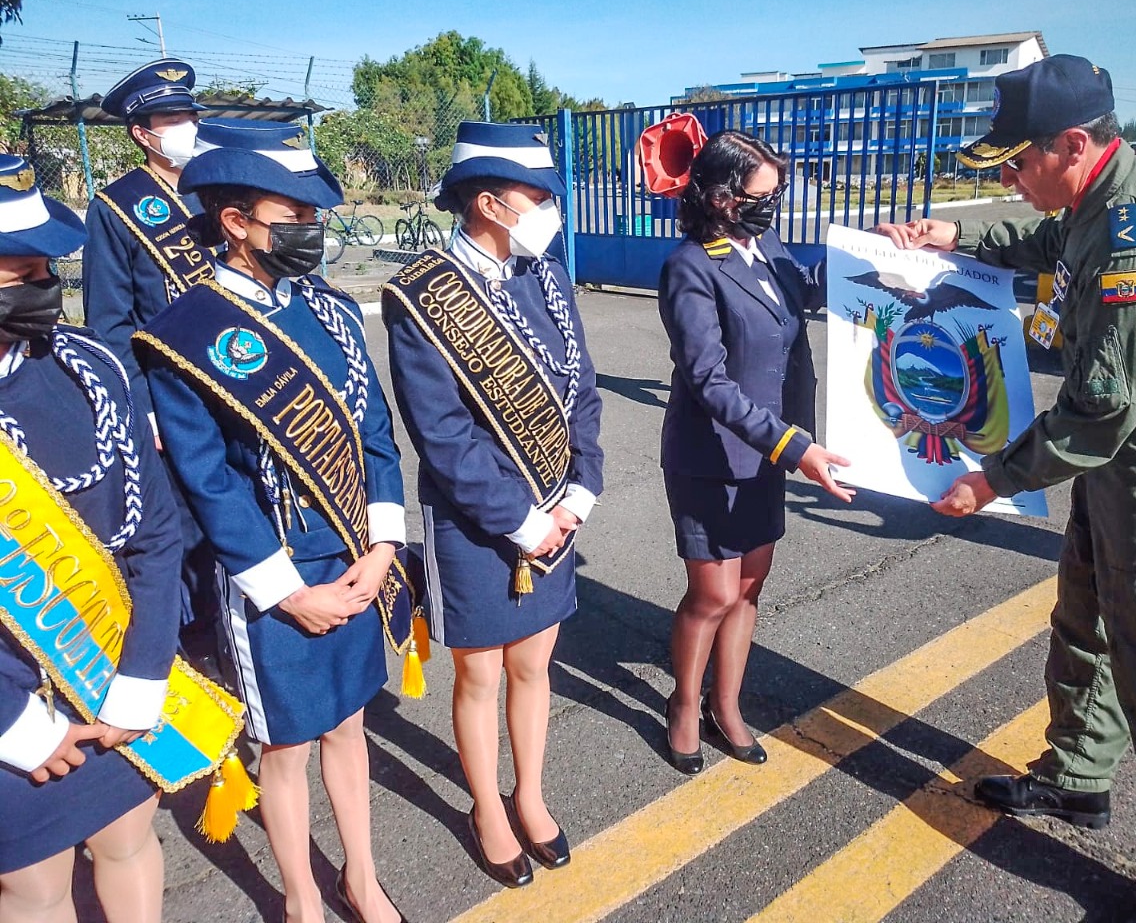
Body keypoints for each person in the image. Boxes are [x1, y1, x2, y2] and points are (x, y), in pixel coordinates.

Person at [875, 55, 1136, 923]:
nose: (1009, 177)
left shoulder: (1131, 228)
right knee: (1084, 620)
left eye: (1017, 162)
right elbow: (1046, 242)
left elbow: (1101, 408)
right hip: (1118, 456)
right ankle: (1078, 777)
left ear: (1073, 144)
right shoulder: (1091, 199)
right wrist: (954, 238)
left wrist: (990, 481)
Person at [133, 119, 407, 923]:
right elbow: (209, 482)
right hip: (273, 580)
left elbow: (374, 434)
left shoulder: (330, 311)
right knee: (285, 749)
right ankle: (300, 900)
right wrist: (288, 594)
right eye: (292, 216)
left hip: (354, 561)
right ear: (235, 223)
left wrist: (385, 544)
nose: (310, 231)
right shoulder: (186, 333)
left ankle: (360, 877)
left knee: (349, 727)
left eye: (313, 215)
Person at [383, 121, 604, 888]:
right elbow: (440, 434)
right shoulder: (423, 295)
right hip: (478, 526)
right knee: (479, 675)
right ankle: (486, 807)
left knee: (534, 665)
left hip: (557, 509)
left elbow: (582, 387)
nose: (550, 208)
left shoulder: (545, 272)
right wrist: (521, 521)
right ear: (488, 202)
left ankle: (530, 795)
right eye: (536, 195)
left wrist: (580, 489)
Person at [0, 154, 183, 921]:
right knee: (33, 887)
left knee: (127, 841)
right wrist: (13, 724)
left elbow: (155, 534)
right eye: (17, 271)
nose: (44, 285)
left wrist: (140, 679)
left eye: (46, 264)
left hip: (110, 677)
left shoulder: (89, 368)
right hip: (11, 710)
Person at [657, 130, 851, 776]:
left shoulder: (765, 245)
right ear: (720, 196)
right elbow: (708, 381)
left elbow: (806, 290)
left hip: (770, 454)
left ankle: (726, 706)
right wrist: (795, 447)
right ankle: (684, 706)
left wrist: (880, 256)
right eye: (759, 195)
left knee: (748, 589)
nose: (772, 207)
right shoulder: (690, 266)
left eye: (777, 193)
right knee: (711, 596)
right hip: (713, 455)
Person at [81, 59, 221, 667]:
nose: (187, 126)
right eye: (173, 118)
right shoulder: (117, 208)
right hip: (171, 401)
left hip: (241, 385)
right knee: (189, 538)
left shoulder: (219, 192)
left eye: (191, 114)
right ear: (143, 133)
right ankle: (198, 661)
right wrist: (144, 414)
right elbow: (110, 328)